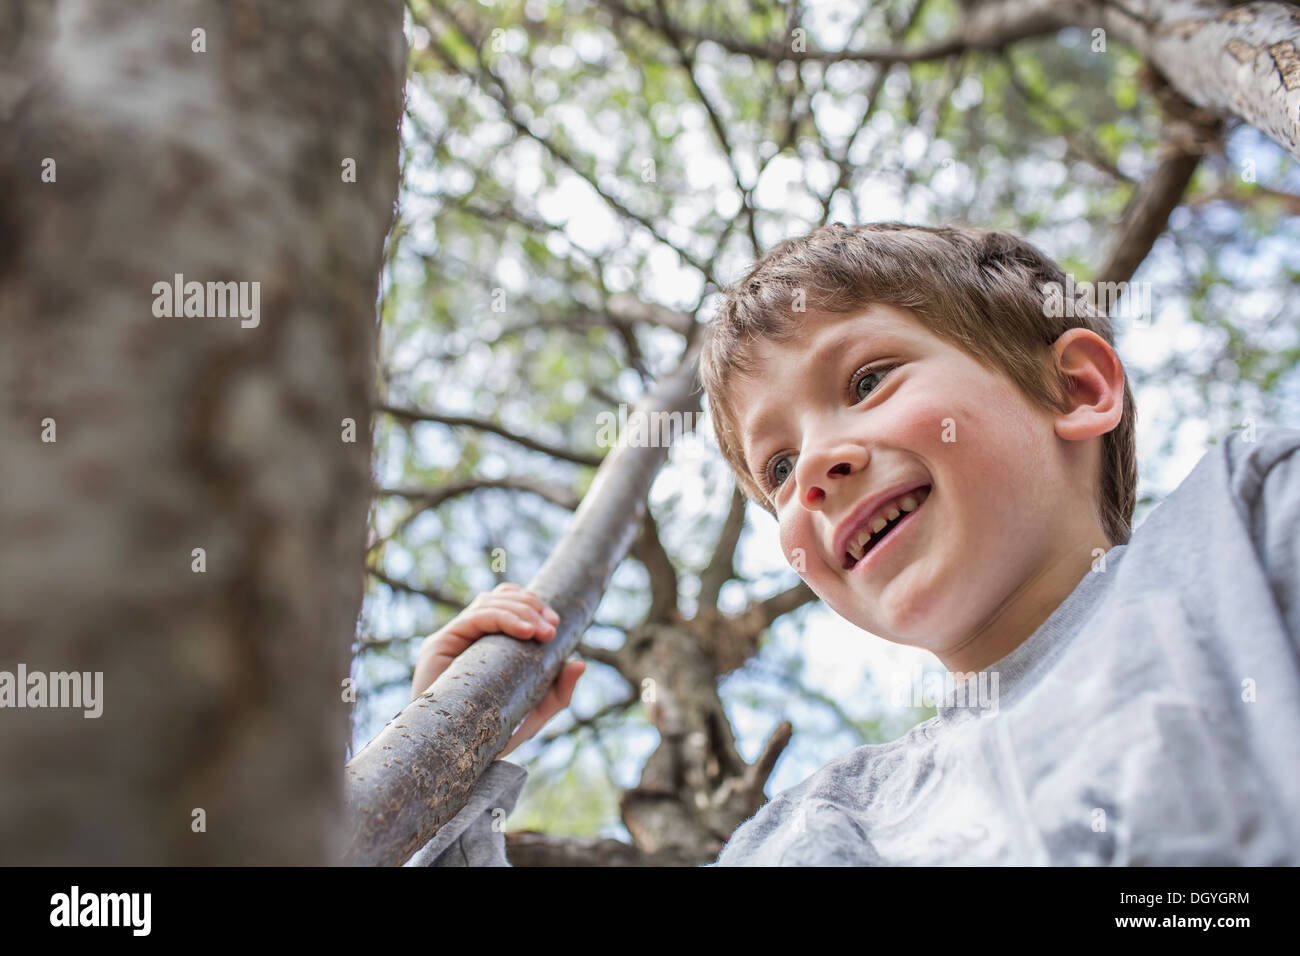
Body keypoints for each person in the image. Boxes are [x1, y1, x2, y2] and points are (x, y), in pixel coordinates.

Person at [407, 222, 1300, 866]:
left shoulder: (1248, 526)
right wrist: (445, 786)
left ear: (1074, 388)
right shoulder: (824, 826)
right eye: (780, 468)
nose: (818, 468)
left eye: (868, 379)